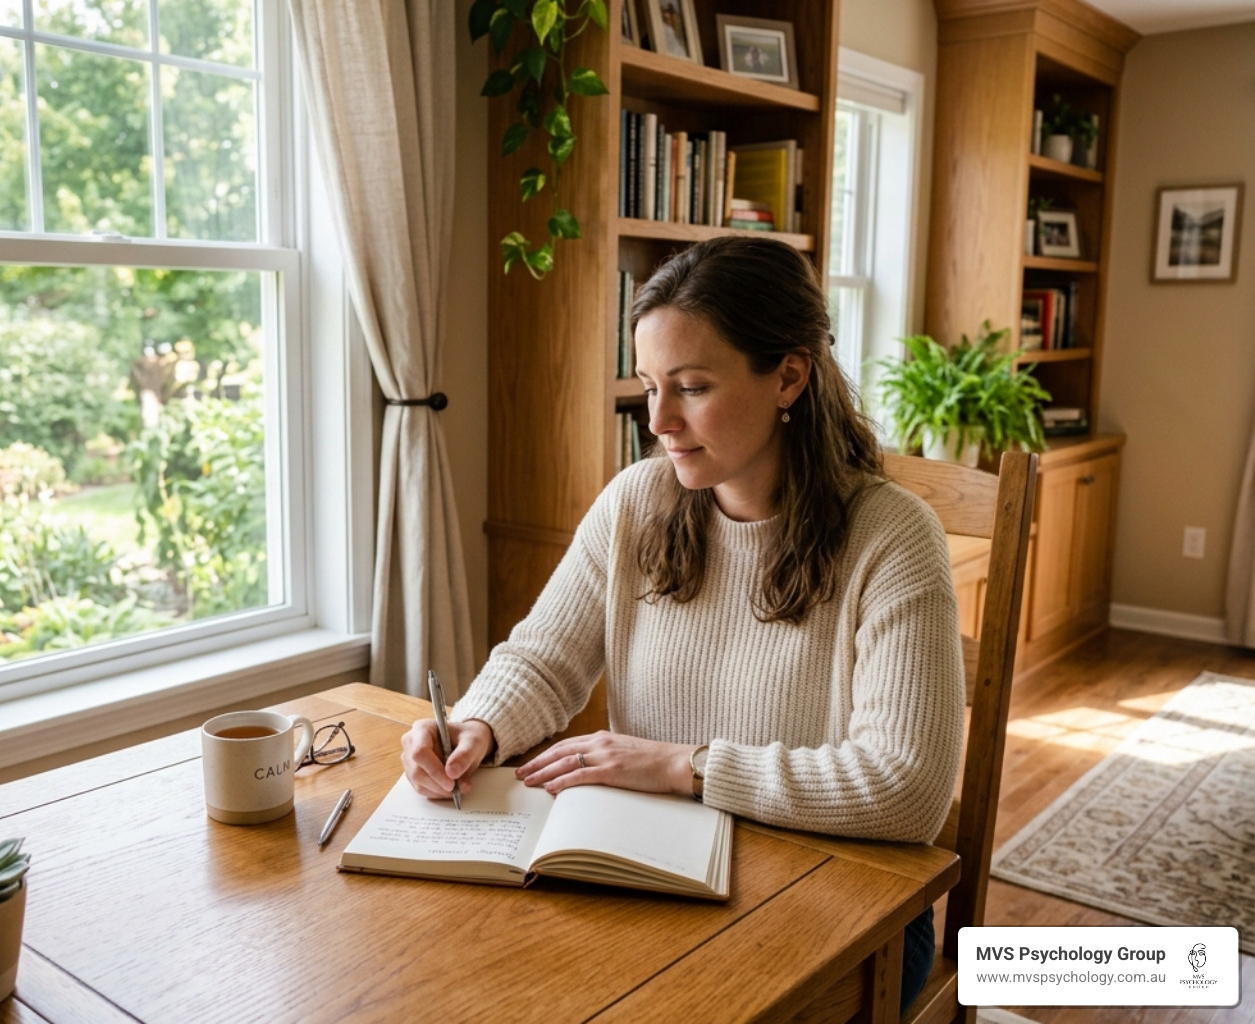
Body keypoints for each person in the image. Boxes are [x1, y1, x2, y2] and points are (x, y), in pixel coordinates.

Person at [400, 235, 962, 1012]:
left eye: (692, 387)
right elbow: (542, 658)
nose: (658, 420)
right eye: (648, 385)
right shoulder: (635, 499)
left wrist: (681, 767)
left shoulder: (892, 536)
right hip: (648, 869)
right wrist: (475, 726)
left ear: (788, 376)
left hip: (839, 906)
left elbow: (907, 789)